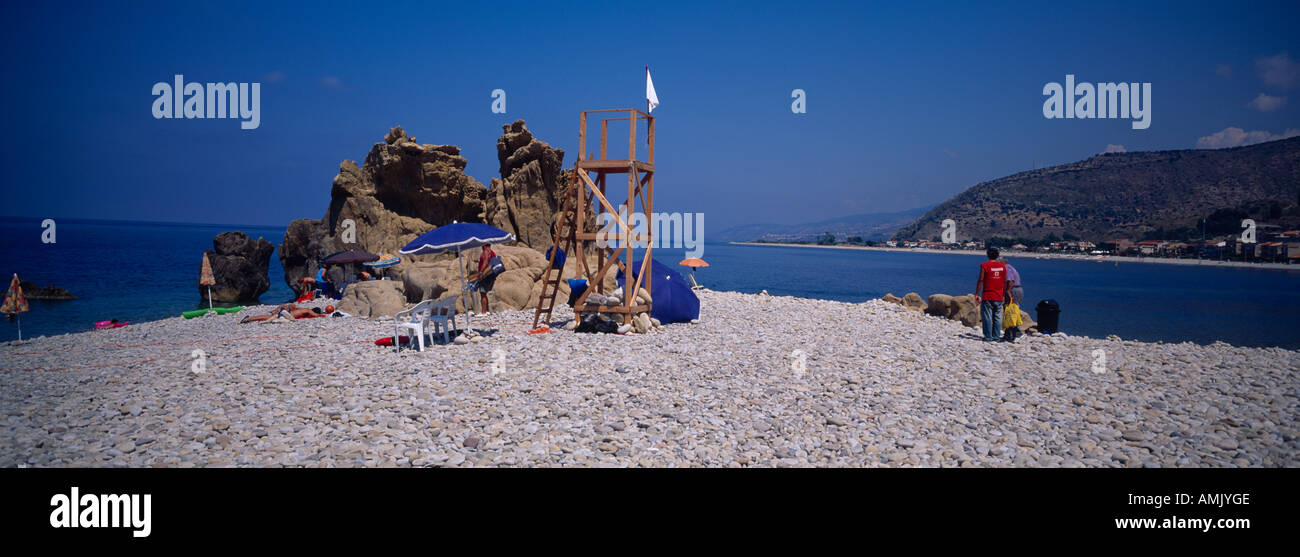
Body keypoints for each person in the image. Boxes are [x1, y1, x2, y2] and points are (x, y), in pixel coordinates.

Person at [974, 248, 1009, 342]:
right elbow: (1005, 281)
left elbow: (981, 280)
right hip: (998, 295)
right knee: (998, 317)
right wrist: (1003, 295)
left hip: (988, 295)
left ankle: (988, 337)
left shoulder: (985, 265)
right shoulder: (1003, 266)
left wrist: (977, 294)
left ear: (987, 255)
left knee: (987, 316)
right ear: (997, 255)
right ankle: (996, 337)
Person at [475, 244, 498, 313]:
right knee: (484, 293)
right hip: (490, 274)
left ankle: (483, 312)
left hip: (485, 275)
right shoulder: (491, 252)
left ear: (484, 245)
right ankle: (486, 310)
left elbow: (485, 262)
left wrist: (480, 272)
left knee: (482, 293)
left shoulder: (485, 251)